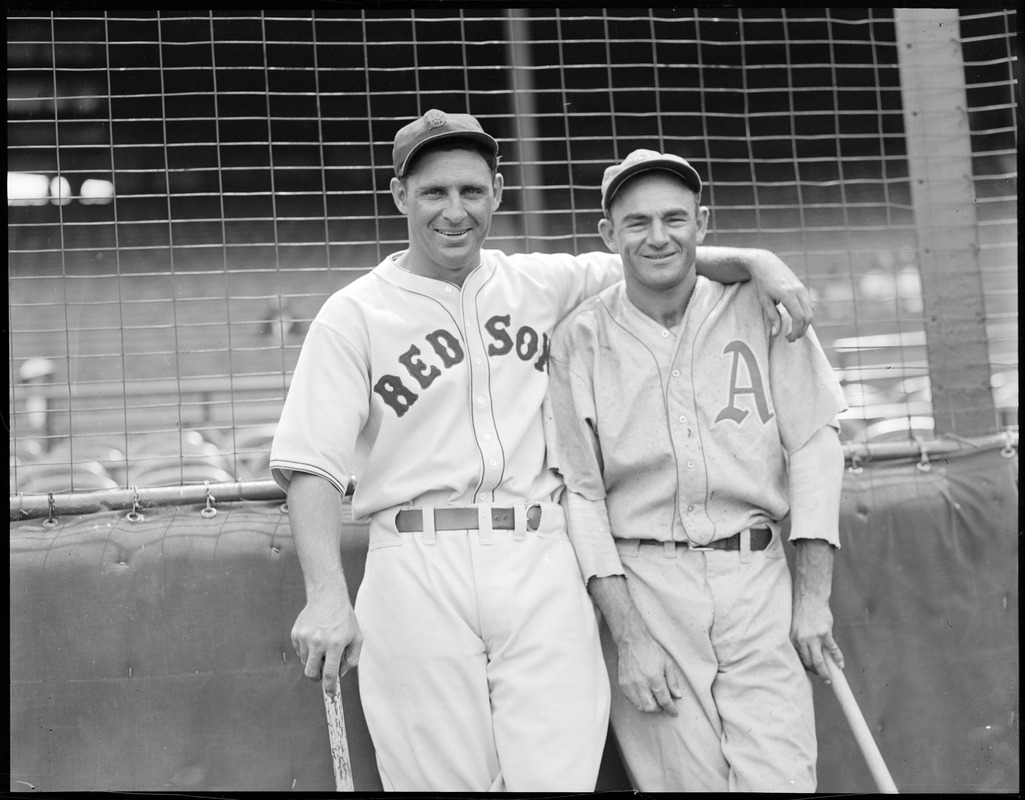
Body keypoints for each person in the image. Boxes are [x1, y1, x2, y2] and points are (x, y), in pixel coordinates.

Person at [269, 111, 815, 792]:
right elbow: (311, 463)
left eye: (471, 191)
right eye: (434, 192)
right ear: (400, 195)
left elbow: (652, 254)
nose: (454, 210)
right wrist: (326, 595)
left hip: (539, 551)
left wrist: (754, 262)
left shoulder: (543, 282)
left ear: (497, 192)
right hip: (415, 558)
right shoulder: (352, 315)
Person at [542, 149, 848, 792]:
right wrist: (628, 637)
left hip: (757, 578)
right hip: (649, 588)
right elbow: (583, 497)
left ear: (703, 223)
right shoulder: (579, 339)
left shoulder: (761, 306)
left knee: (782, 780)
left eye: (675, 218)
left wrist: (814, 597)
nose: (659, 236)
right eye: (637, 222)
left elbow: (816, 447)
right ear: (608, 236)